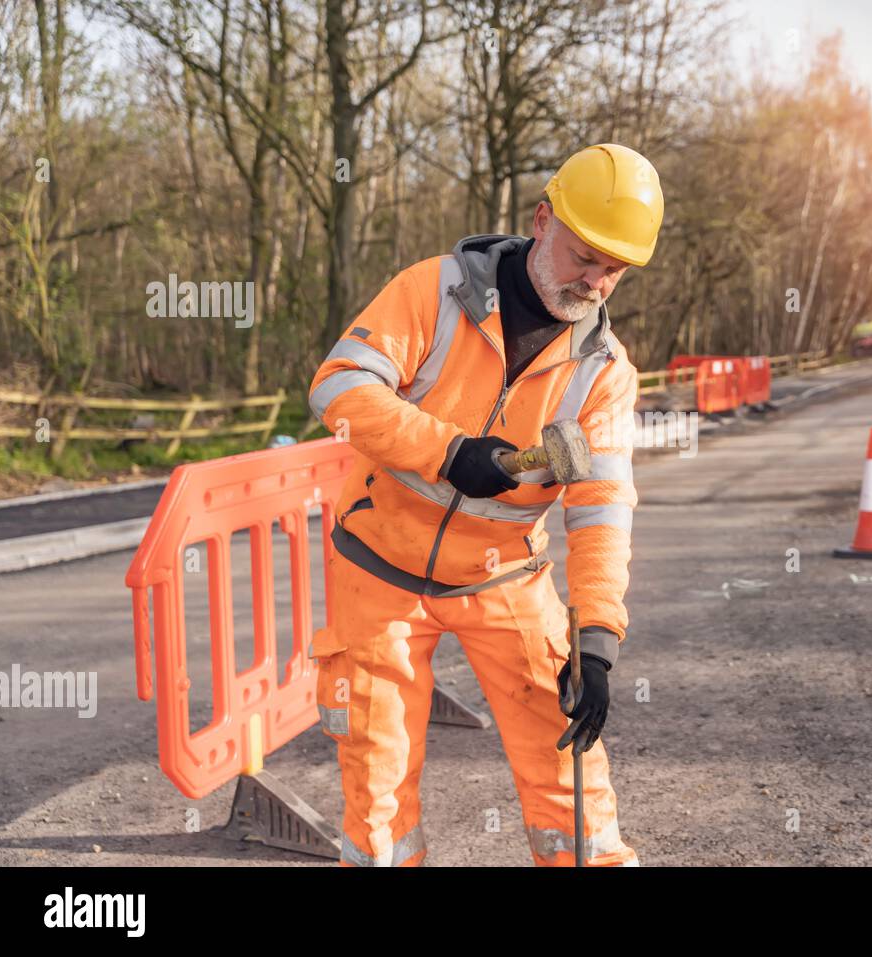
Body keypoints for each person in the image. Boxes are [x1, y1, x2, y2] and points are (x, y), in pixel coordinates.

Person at [307, 144, 664, 866]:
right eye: (583, 256)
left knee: (569, 769)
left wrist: (596, 637)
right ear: (542, 221)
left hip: (504, 577)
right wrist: (447, 451)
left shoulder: (605, 374)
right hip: (377, 567)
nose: (595, 281)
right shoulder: (432, 291)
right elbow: (338, 388)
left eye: (614, 269)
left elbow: (600, 507)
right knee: (376, 783)